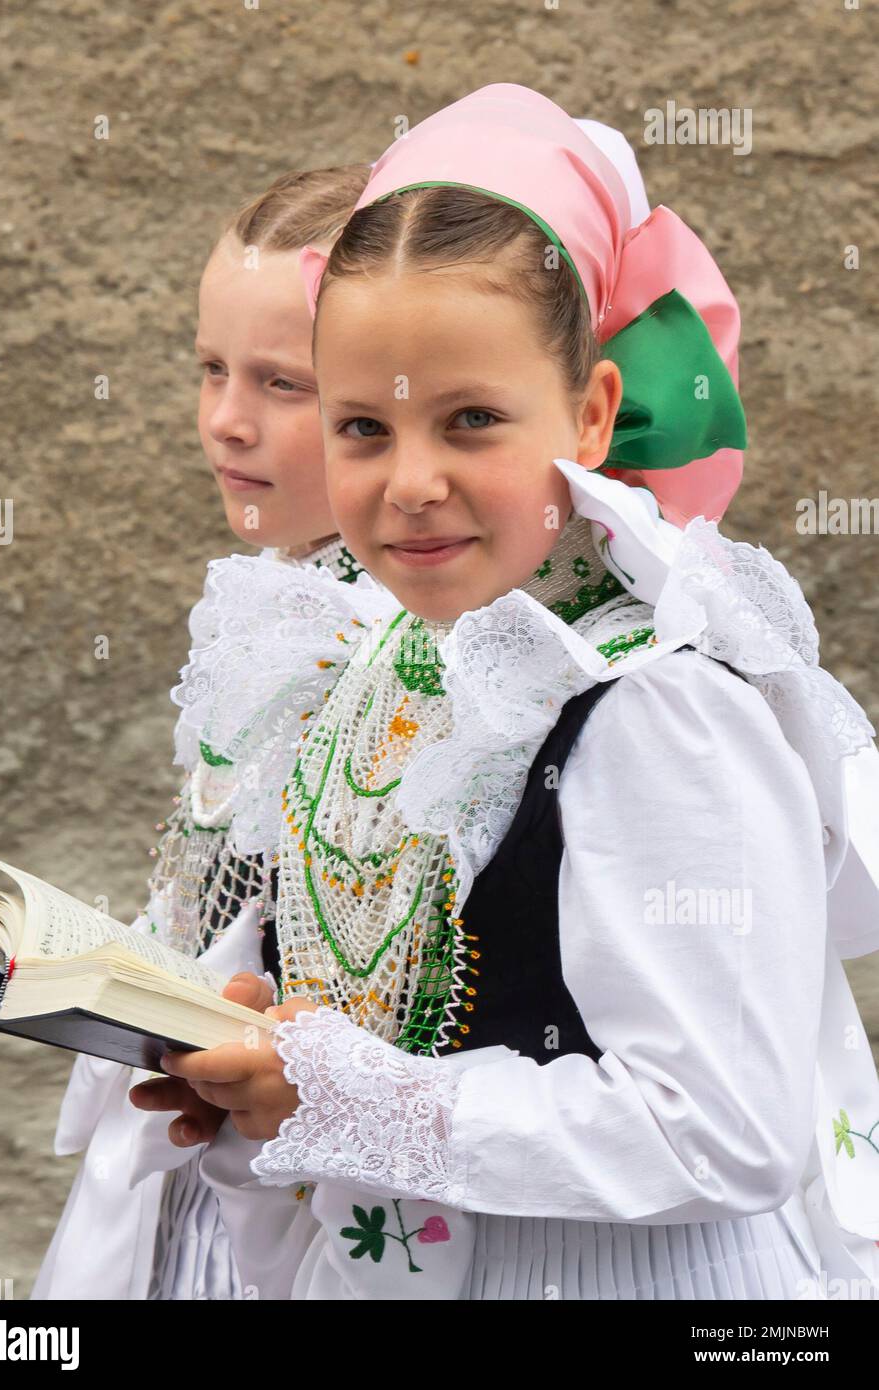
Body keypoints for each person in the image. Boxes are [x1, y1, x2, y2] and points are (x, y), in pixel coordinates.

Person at [148, 84, 879, 1301]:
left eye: (472, 419)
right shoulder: (367, 670)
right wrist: (254, 1077)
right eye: (362, 428)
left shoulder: (654, 707)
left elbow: (727, 1127)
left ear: (591, 414)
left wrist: (344, 1091)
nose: (412, 482)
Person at [34, 115, 654, 1300]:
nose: (227, 419)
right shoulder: (267, 624)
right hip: (226, 1153)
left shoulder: (487, 661)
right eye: (208, 369)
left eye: (285, 385)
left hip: (386, 1195)